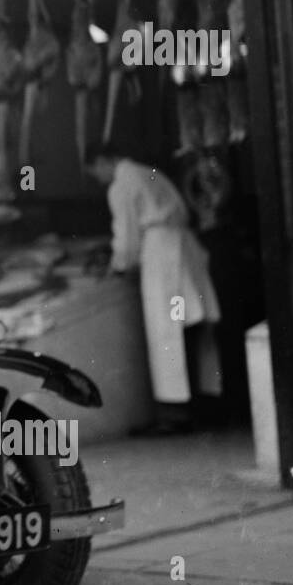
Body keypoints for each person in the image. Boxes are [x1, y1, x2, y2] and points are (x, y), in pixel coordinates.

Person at [84, 142, 221, 435]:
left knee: (167, 331)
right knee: (188, 326)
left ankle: (175, 414)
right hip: (183, 250)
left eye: (96, 172)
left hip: (162, 257)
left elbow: (126, 236)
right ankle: (203, 406)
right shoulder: (148, 173)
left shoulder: (122, 184)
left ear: (103, 161)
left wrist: (119, 265)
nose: (99, 178)